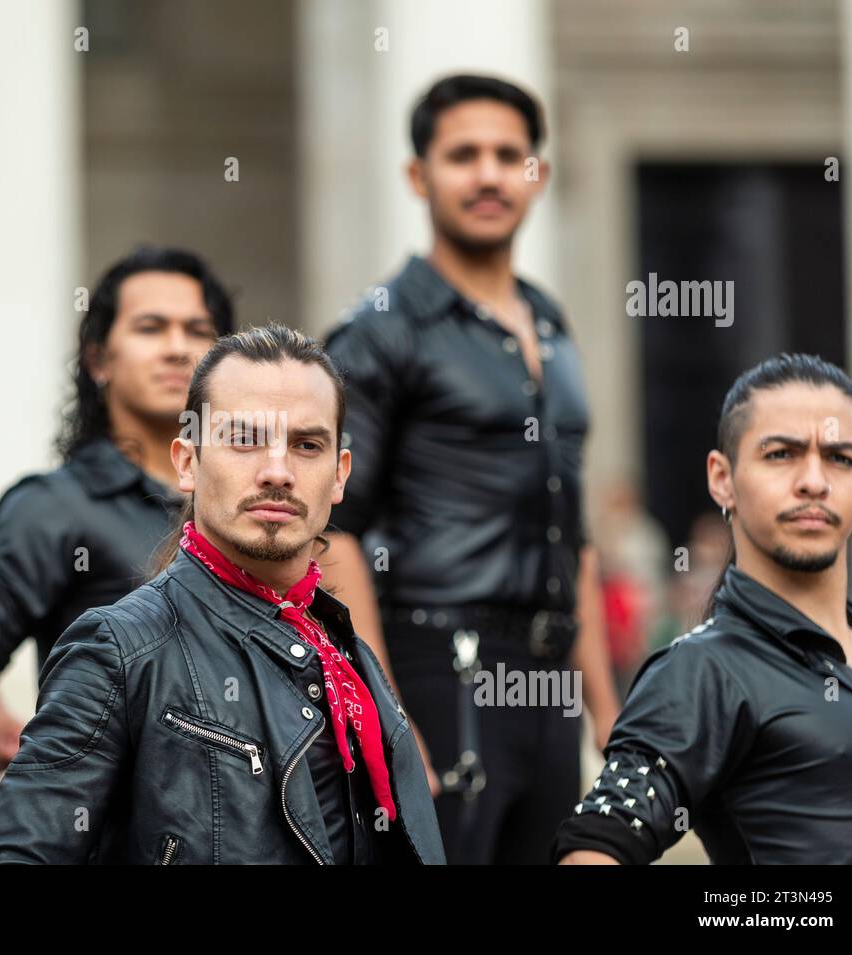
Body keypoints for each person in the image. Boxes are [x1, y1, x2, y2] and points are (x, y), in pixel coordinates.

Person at [0, 324, 445, 864]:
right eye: (244, 439)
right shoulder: (118, 650)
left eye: (306, 445)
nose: (277, 472)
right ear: (188, 462)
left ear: (339, 476)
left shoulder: (347, 658)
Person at [322, 73, 619, 863]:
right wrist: (382, 709)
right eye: (463, 155)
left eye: (508, 155)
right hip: (437, 667)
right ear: (419, 176)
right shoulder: (382, 330)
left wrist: (606, 709)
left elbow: (576, 534)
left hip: (548, 676)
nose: (488, 174)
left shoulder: (552, 324)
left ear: (538, 175)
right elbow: (332, 529)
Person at [0, 246, 234, 863]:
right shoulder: (54, 506)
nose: (177, 348)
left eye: (197, 331)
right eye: (150, 328)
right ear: (98, 359)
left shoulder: (250, 505)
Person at [555, 354, 852, 864]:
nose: (814, 481)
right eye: (781, 454)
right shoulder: (702, 671)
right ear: (722, 478)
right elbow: (594, 848)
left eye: (839, 458)